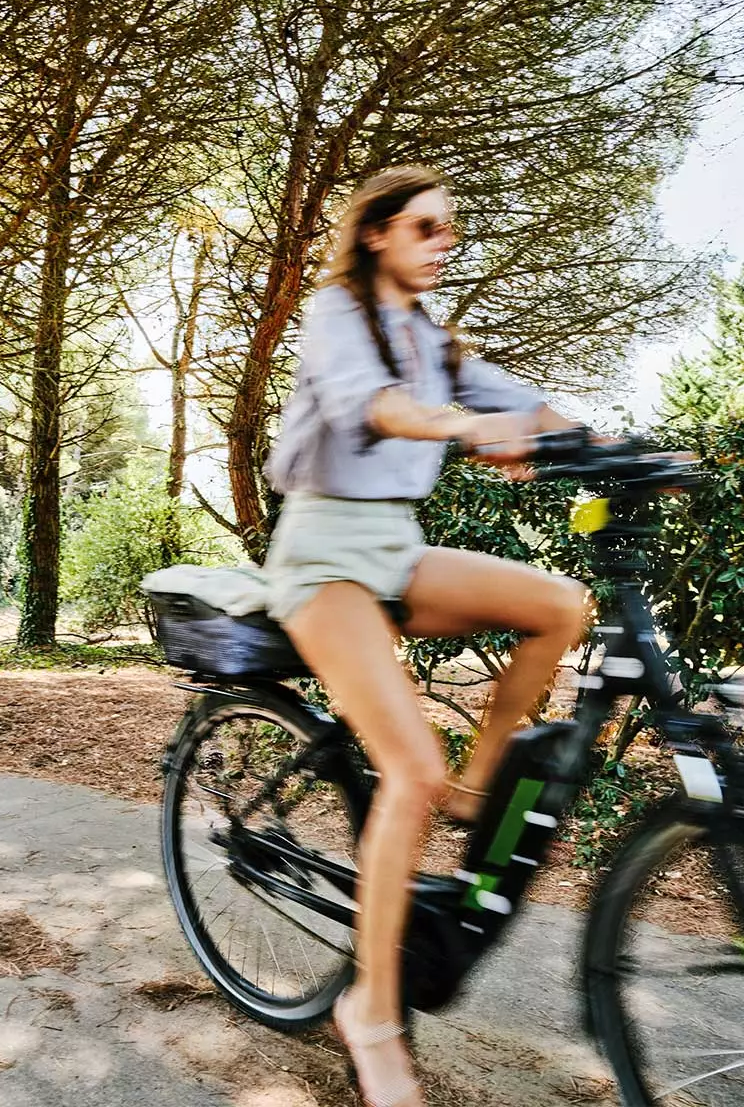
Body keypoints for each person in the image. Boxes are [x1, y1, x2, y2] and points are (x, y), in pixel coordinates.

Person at [260, 166, 590, 1107]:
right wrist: (468, 424)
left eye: (450, 229)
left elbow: (521, 400)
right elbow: (379, 406)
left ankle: (474, 801)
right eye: (427, 227)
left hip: (394, 549)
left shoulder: (434, 338)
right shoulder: (337, 315)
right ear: (376, 234)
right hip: (323, 558)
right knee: (408, 764)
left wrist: (604, 442)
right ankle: (370, 1012)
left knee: (559, 606)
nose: (445, 241)